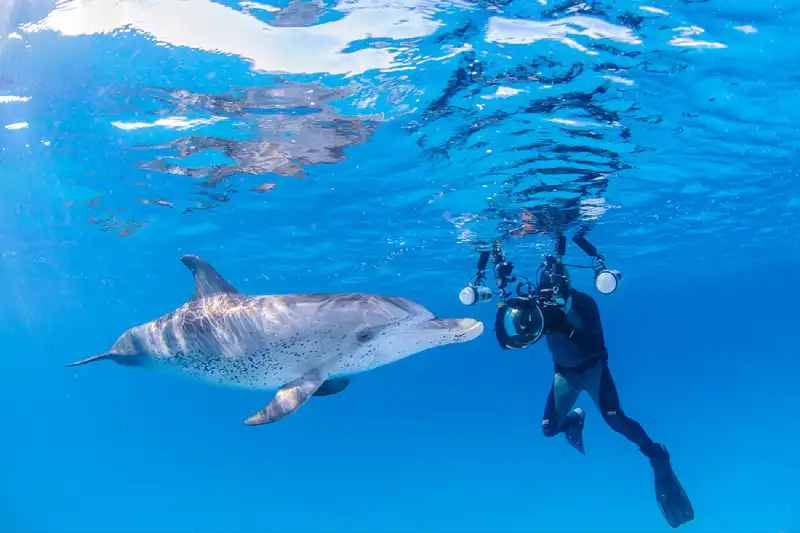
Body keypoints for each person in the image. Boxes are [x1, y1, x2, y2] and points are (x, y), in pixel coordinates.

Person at [491, 243, 694, 529]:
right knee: (549, 428)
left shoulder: (585, 303)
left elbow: (596, 346)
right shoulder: (536, 307)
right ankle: (573, 419)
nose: (552, 297)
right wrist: (509, 319)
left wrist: (565, 326)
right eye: (546, 292)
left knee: (615, 419)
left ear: (566, 282)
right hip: (564, 374)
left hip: (593, 369)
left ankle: (656, 455)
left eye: (556, 290)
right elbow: (516, 336)